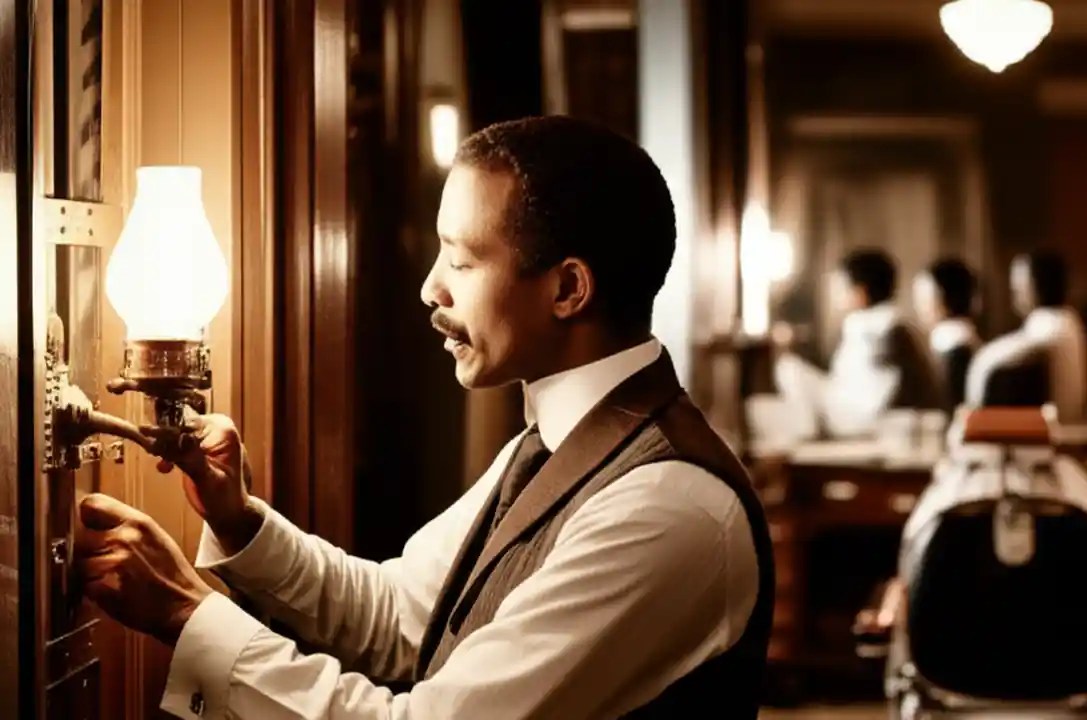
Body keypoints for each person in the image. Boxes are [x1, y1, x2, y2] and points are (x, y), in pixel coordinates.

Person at [73, 116, 775, 719]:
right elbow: (402, 618)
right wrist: (240, 521)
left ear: (567, 288)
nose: (428, 288)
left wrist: (186, 615)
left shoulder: (666, 505)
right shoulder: (557, 441)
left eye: (462, 261)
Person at [772, 248, 942, 438]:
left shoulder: (871, 326)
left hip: (863, 417)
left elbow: (864, 387)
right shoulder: (894, 321)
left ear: (860, 293)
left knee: (789, 368)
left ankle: (807, 433)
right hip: (867, 410)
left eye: (840, 288)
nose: (836, 295)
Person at [965, 250, 1087, 423]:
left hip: (1056, 429)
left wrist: (982, 360)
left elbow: (1002, 355)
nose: (1014, 289)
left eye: (1020, 283)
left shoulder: (1055, 323)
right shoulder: (1064, 321)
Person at [912, 258, 981, 413]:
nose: (917, 306)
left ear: (942, 299)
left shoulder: (950, 342)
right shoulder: (968, 336)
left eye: (922, 297)